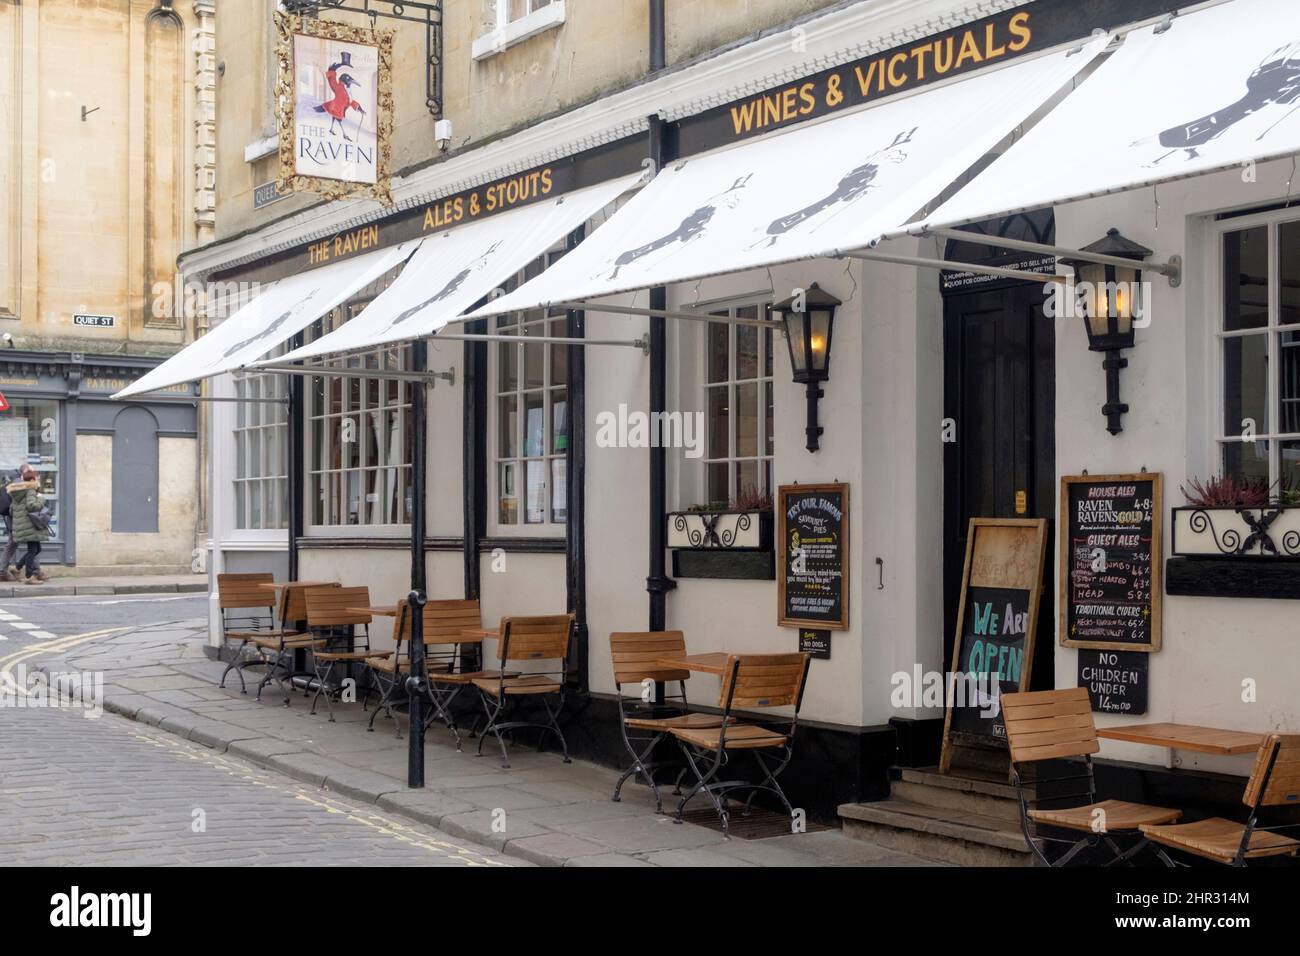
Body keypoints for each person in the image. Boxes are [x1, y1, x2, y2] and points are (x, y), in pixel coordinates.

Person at [7, 466, 49, 584]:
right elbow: (32, 506)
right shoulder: (30, 490)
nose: (38, 480)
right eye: (37, 478)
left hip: (23, 526)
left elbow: (11, 510)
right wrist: (41, 499)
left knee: (36, 549)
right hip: (30, 526)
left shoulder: (17, 492)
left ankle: (17, 567)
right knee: (33, 550)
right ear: (31, 480)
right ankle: (29, 577)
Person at [0, 465, 19, 582]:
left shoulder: (7, 487)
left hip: (13, 520)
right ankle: (35, 572)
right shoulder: (17, 487)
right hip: (19, 521)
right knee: (33, 545)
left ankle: (4, 571)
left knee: (12, 544)